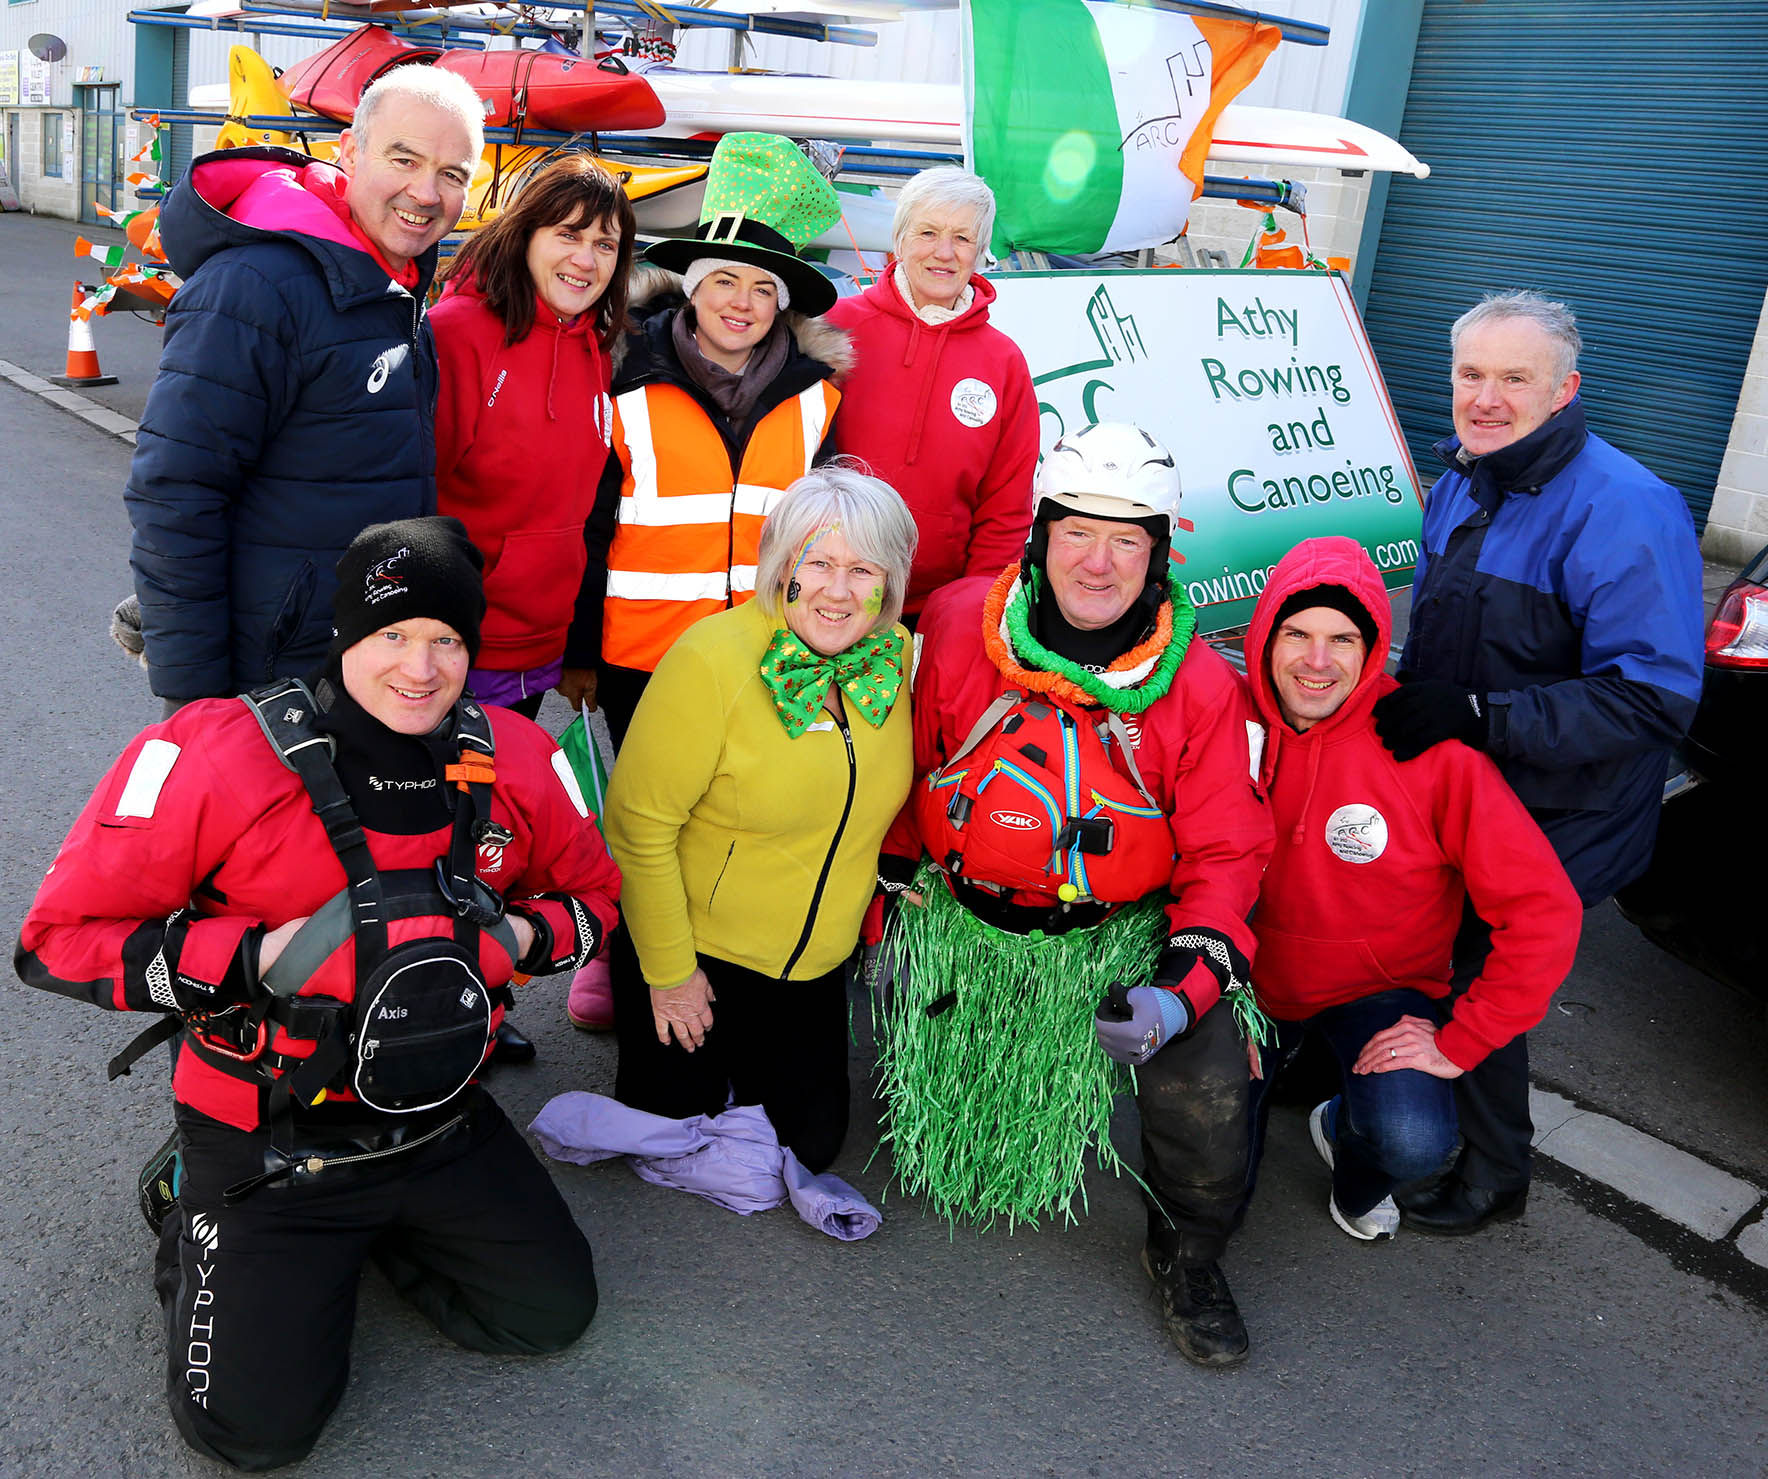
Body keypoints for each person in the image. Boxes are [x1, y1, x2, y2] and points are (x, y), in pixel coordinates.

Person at [16, 518, 620, 1471]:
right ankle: (196, 1212)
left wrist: (517, 938)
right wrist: (254, 956)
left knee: (547, 1314)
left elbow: (597, 903)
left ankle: (366, 1237)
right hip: (268, 1131)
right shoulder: (216, 752)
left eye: (447, 638)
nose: (421, 666)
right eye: (393, 633)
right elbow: (54, 941)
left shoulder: (514, 754)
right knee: (252, 1434)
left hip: (438, 1114)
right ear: (346, 635)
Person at [879, 423, 1273, 1367]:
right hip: (960, 921)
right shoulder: (956, 623)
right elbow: (901, 773)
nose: (1098, 563)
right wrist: (884, 902)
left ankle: (1187, 1253)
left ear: (1160, 554)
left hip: (1115, 938)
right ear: (1039, 537)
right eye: (1077, 533)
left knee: (1209, 1068)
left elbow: (1227, 856)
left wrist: (1182, 992)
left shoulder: (1199, 686)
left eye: (1127, 540)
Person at [1373, 290, 1705, 1233]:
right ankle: (1387, 1083)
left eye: (1514, 378)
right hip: (1471, 788)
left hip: (1563, 809)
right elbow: (1441, 633)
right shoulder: (1462, 477)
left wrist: (1482, 717)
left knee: (1492, 967)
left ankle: (1494, 1173)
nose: (1485, 398)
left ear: (1565, 390)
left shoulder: (1629, 509)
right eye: (1471, 374)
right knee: (1425, 939)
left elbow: (1653, 697)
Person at [1240, 536, 1582, 1242]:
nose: (1316, 660)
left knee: (1413, 1139)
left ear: (1372, 649)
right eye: (1296, 633)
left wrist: (1462, 1039)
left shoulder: (1426, 751)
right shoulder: (1227, 724)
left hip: (1378, 988)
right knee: (1207, 1142)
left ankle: (1346, 1145)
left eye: (1342, 639)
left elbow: (1544, 910)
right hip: (1245, 979)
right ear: (1264, 635)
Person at [126, 66, 484, 709]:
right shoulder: (254, 287)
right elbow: (176, 492)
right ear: (349, 151)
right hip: (270, 678)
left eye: (452, 174)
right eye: (404, 159)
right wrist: (195, 700)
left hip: (362, 661)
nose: (427, 192)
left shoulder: (394, 284)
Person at [599, 466, 916, 1173]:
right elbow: (637, 828)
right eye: (818, 563)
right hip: (699, 953)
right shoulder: (709, 660)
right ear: (781, 567)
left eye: (863, 569)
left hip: (815, 964)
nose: (839, 591)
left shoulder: (897, 659)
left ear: (890, 583)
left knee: (810, 1148)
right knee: (673, 1130)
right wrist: (670, 973)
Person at [559, 131, 852, 746]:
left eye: (763, 289)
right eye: (724, 280)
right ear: (693, 287)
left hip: (769, 655)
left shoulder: (816, 399)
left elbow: (827, 541)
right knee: (649, 802)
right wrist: (580, 651)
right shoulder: (625, 381)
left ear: (781, 305)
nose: (742, 303)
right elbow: (589, 528)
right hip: (642, 661)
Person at [431, 153, 637, 721]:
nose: (585, 260)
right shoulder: (458, 334)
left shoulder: (595, 348)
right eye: (568, 234)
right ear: (524, 234)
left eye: (605, 244)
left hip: (540, 642)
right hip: (454, 644)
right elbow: (410, 501)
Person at [824, 166, 1038, 622]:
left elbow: (1005, 508)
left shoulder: (1003, 362)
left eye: (962, 238)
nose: (944, 252)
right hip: (827, 592)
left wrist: (972, 606)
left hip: (937, 609)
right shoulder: (836, 328)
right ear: (898, 240)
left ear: (980, 252)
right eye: (928, 232)